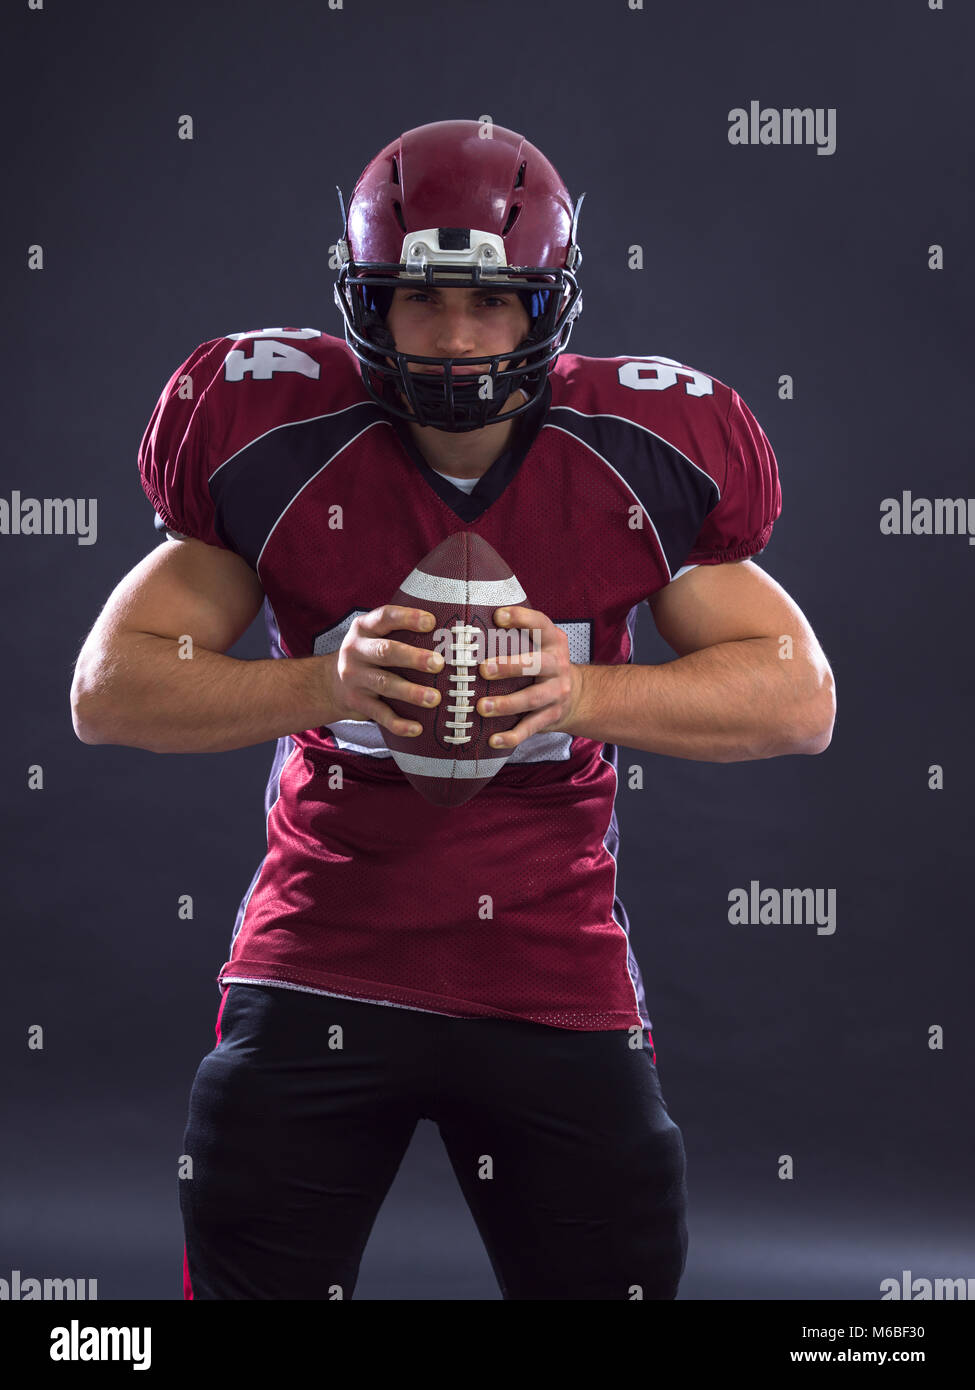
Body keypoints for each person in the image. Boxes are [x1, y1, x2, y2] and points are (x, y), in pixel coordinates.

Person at [70, 119, 835, 1301]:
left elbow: (799, 696)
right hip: (322, 951)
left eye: (493, 302)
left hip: (549, 959)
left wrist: (579, 693)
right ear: (366, 305)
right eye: (422, 300)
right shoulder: (282, 438)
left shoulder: (634, 451)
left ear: (549, 307)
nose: (459, 338)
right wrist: (323, 683)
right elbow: (108, 687)